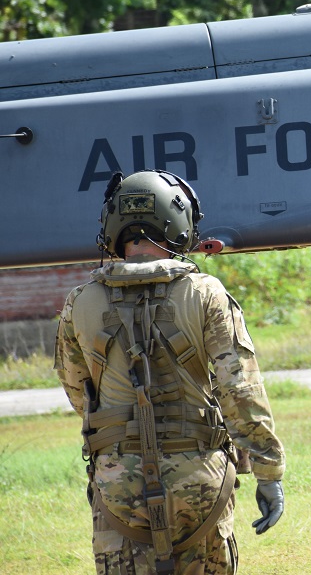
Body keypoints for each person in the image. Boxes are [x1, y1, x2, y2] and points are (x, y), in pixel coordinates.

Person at [54, 170, 286, 575]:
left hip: (119, 484)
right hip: (199, 479)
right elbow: (240, 388)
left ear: (112, 226)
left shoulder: (80, 301)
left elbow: (78, 391)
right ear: (180, 223)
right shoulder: (205, 293)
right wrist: (267, 471)